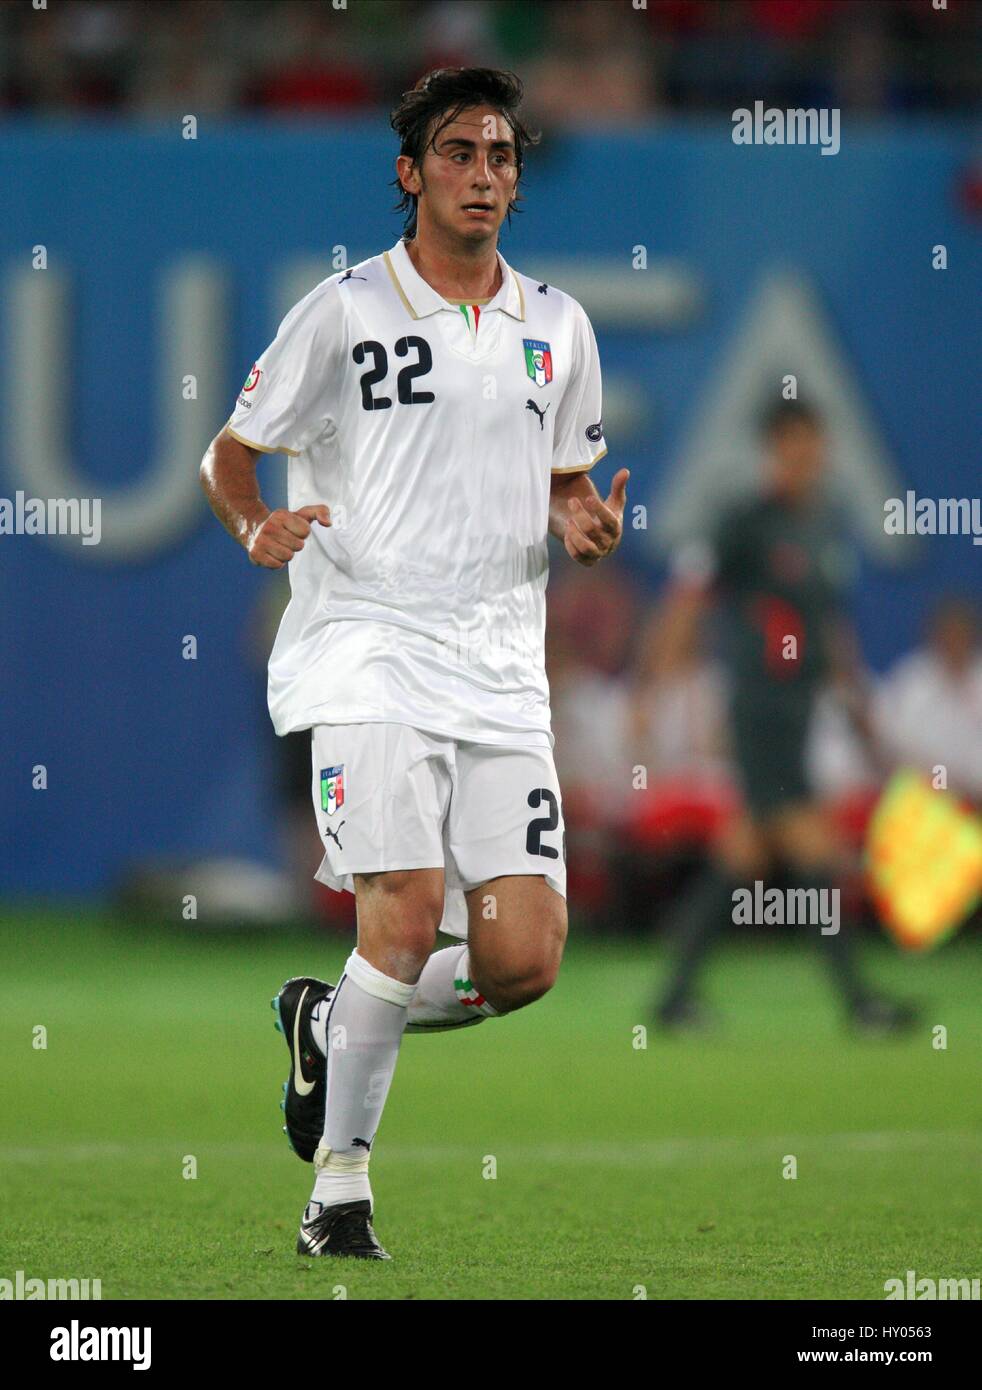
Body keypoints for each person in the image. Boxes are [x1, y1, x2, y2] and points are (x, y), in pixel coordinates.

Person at [199, 67, 629, 1260]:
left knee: (523, 957)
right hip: (369, 646)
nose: (482, 175)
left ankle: (327, 1022)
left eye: (499, 157)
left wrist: (581, 520)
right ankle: (339, 1190)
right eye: (458, 154)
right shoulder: (341, 310)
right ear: (410, 173)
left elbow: (564, 483)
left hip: (501, 666)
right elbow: (230, 455)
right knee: (398, 913)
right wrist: (255, 528)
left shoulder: (558, 326)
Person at [652, 399, 915, 1034]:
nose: (807, 456)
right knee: (814, 844)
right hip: (759, 706)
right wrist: (662, 685)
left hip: (801, 708)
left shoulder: (824, 524)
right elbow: (690, 596)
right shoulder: (745, 520)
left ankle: (673, 996)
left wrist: (857, 706)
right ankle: (860, 1004)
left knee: (745, 851)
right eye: (794, 444)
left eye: (814, 444)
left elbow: (829, 625)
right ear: (774, 447)